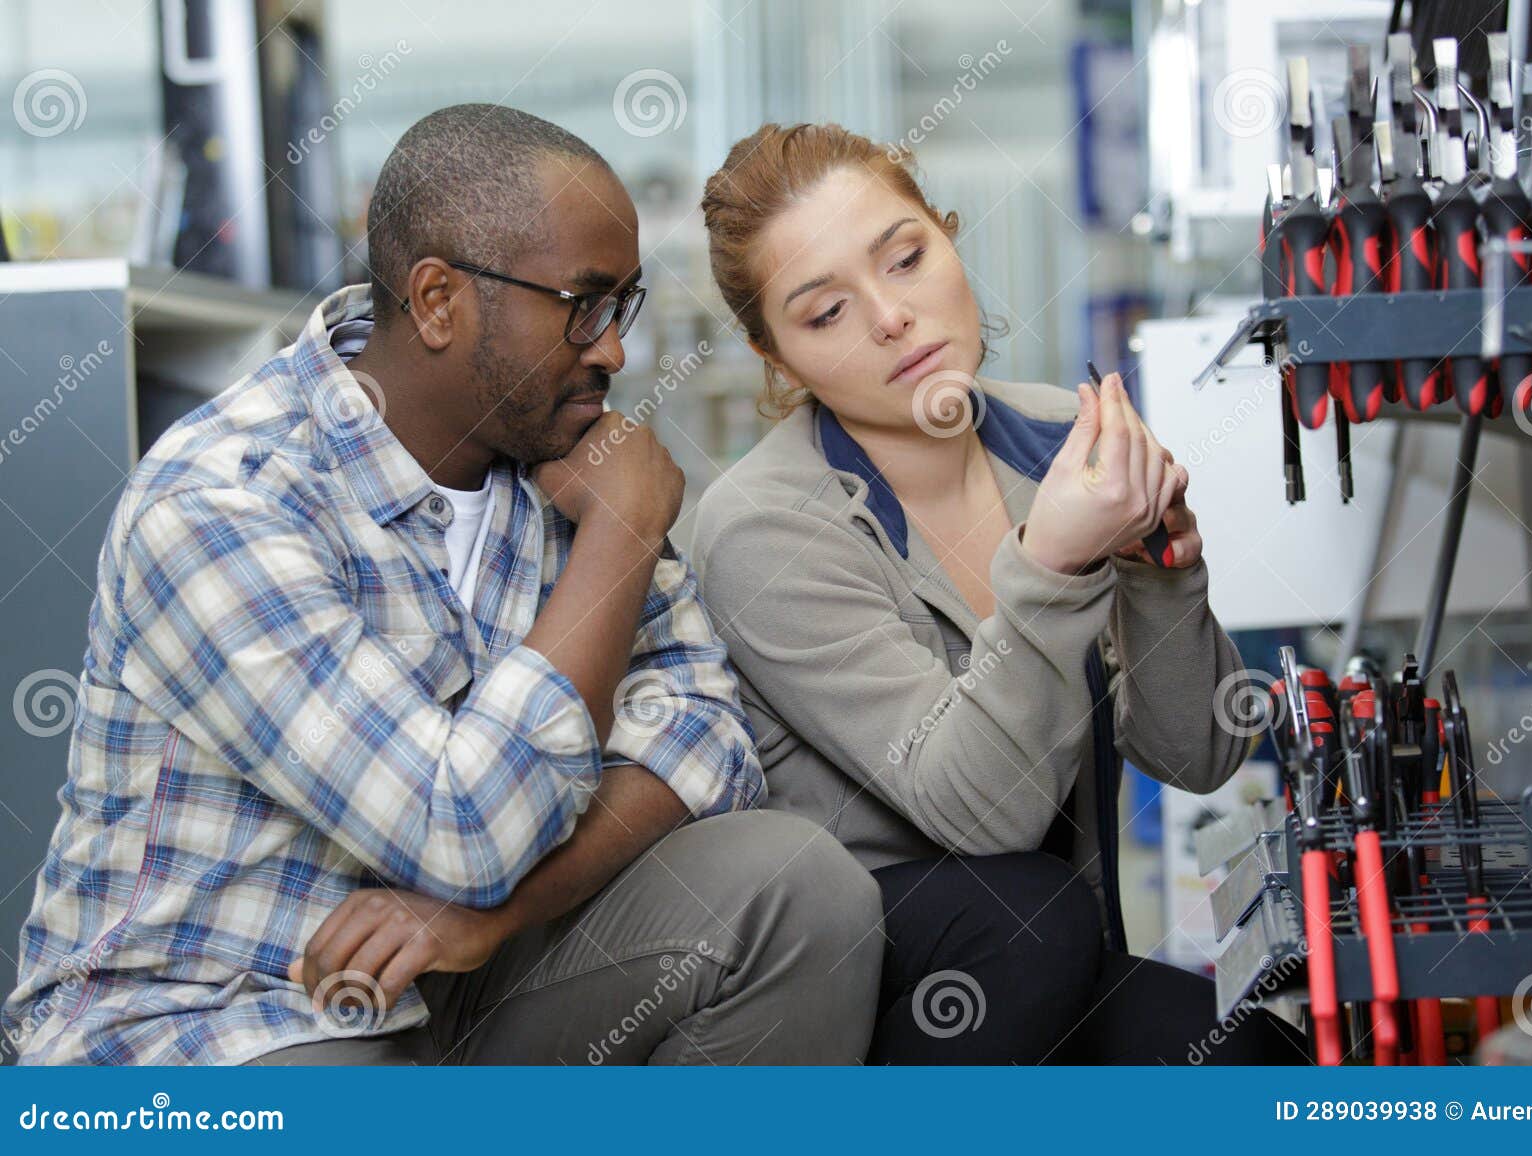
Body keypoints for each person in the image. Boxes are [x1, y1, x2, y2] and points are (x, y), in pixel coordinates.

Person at [2, 106, 884, 1066]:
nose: (614, 350)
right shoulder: (224, 502)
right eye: (582, 304)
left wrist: (484, 921)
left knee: (798, 889)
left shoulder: (553, 453)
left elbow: (710, 739)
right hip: (220, 1020)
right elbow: (458, 827)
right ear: (436, 301)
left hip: (463, 983)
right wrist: (621, 541)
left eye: (621, 306)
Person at [690, 122, 1307, 1064]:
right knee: (1028, 915)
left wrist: (1161, 573)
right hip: (877, 1005)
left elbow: (1202, 753)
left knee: (1258, 1061)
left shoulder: (1060, 436)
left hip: (1064, 964)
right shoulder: (764, 528)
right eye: (824, 314)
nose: (891, 317)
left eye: (905, 258)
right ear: (775, 355)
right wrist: (1054, 565)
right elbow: (987, 821)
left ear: (947, 237)